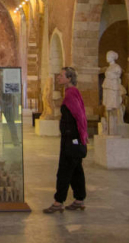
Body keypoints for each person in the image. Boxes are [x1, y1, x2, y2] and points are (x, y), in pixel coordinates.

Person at [44, 66, 88, 214]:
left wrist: (79, 137)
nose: (58, 77)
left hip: (72, 139)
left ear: (69, 78)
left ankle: (58, 202)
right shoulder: (70, 92)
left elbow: (79, 117)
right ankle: (79, 199)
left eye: (62, 76)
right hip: (71, 138)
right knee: (76, 170)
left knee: (64, 170)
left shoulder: (71, 94)